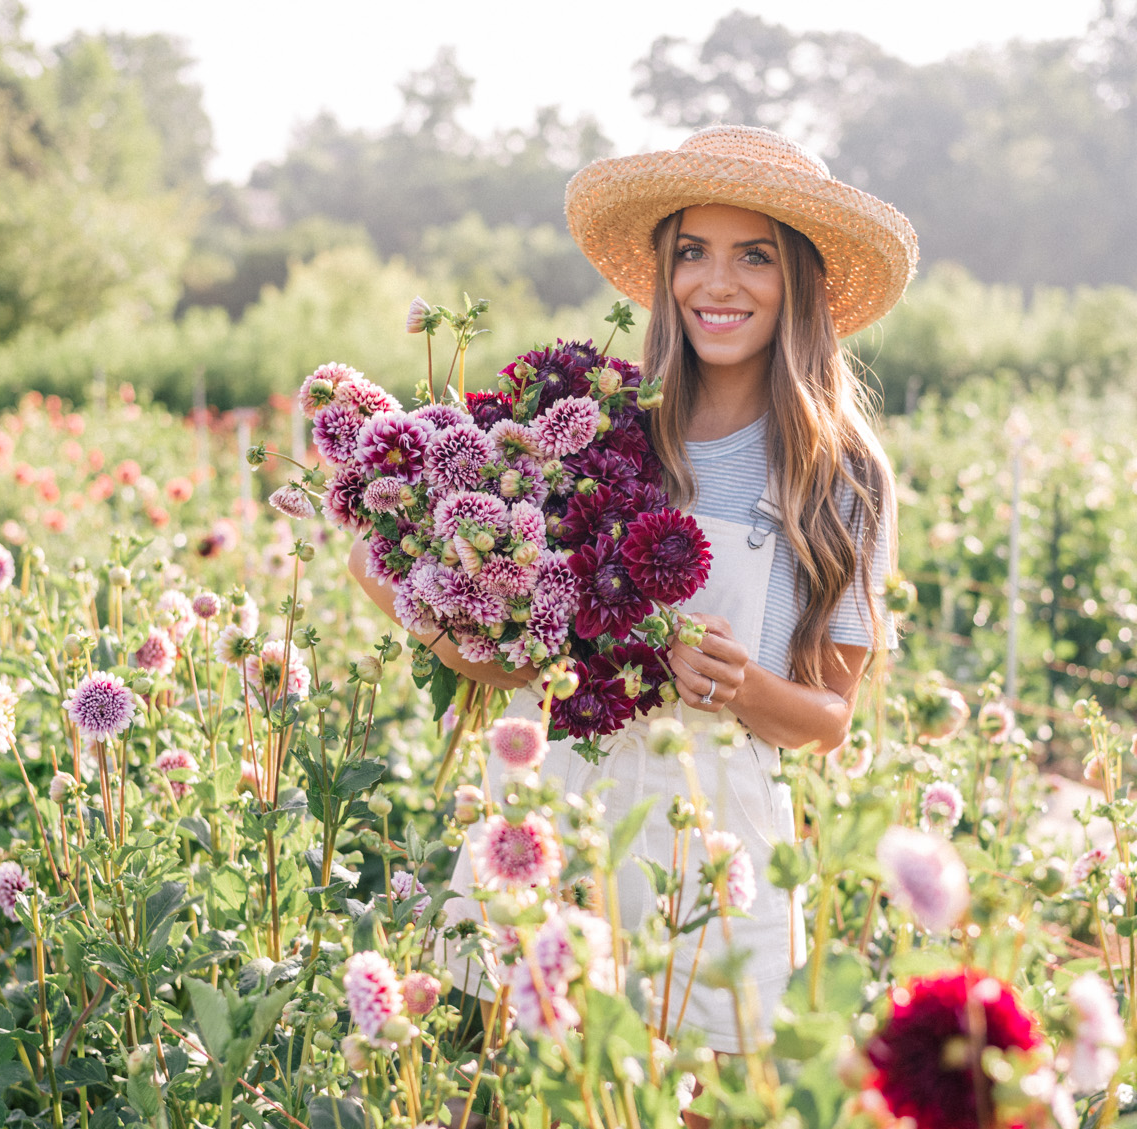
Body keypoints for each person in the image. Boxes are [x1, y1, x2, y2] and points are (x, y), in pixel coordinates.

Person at [348, 125, 918, 1052]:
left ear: (801, 282)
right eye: (691, 252)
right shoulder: (600, 428)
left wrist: (738, 682)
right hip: (557, 806)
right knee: (531, 1117)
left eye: (754, 257)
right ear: (663, 272)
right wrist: (408, 591)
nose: (716, 283)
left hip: (715, 837)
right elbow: (514, 671)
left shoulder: (839, 471)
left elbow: (829, 718)